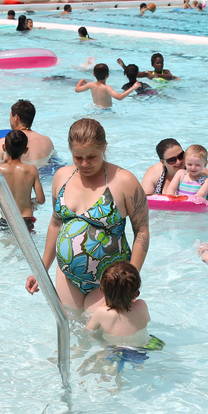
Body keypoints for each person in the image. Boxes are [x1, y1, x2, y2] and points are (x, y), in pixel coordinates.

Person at [25, 119, 150, 312]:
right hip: (68, 277)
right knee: (72, 327)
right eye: (78, 157)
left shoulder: (124, 181)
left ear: (104, 148)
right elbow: (56, 224)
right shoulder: (62, 177)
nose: (84, 164)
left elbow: (141, 231)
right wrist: (41, 270)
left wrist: (132, 280)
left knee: (100, 329)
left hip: (112, 281)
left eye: (92, 156)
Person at [85, 261, 150, 347]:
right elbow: (146, 321)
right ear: (136, 294)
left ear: (102, 290)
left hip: (116, 350)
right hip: (143, 346)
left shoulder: (102, 312)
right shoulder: (142, 305)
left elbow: (89, 330)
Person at [0, 130, 45, 233]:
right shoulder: (31, 169)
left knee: (7, 242)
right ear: (26, 150)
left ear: (4, 147)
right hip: (26, 218)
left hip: (6, 218)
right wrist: (32, 202)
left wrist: (3, 164)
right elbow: (41, 200)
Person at [140, 138, 208, 195]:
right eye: (172, 160)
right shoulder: (154, 172)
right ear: (163, 162)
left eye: (181, 156)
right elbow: (144, 202)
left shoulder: (200, 172)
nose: (178, 162)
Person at [0, 99, 56, 165]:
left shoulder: (5, 142)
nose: (10, 120)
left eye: (10, 116)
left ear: (16, 118)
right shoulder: (47, 141)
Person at [75, 63, 141, 108]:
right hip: (106, 112)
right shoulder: (107, 88)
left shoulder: (91, 84)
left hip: (95, 109)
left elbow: (77, 89)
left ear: (94, 74)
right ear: (108, 75)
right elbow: (119, 97)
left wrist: (81, 80)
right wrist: (133, 87)